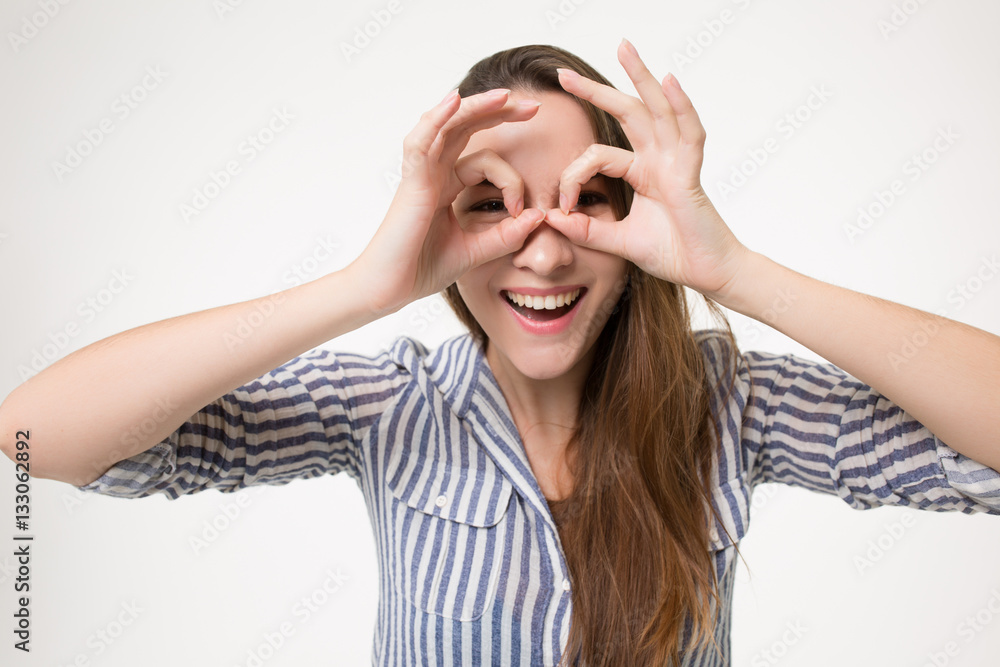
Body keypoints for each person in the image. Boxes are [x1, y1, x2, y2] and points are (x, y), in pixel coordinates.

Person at [1, 39, 998, 666]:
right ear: (440, 229)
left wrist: (728, 268)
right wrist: (365, 285)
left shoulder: (727, 405)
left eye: (585, 200)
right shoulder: (388, 401)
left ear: (632, 216)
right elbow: (34, 434)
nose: (546, 246)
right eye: (491, 207)